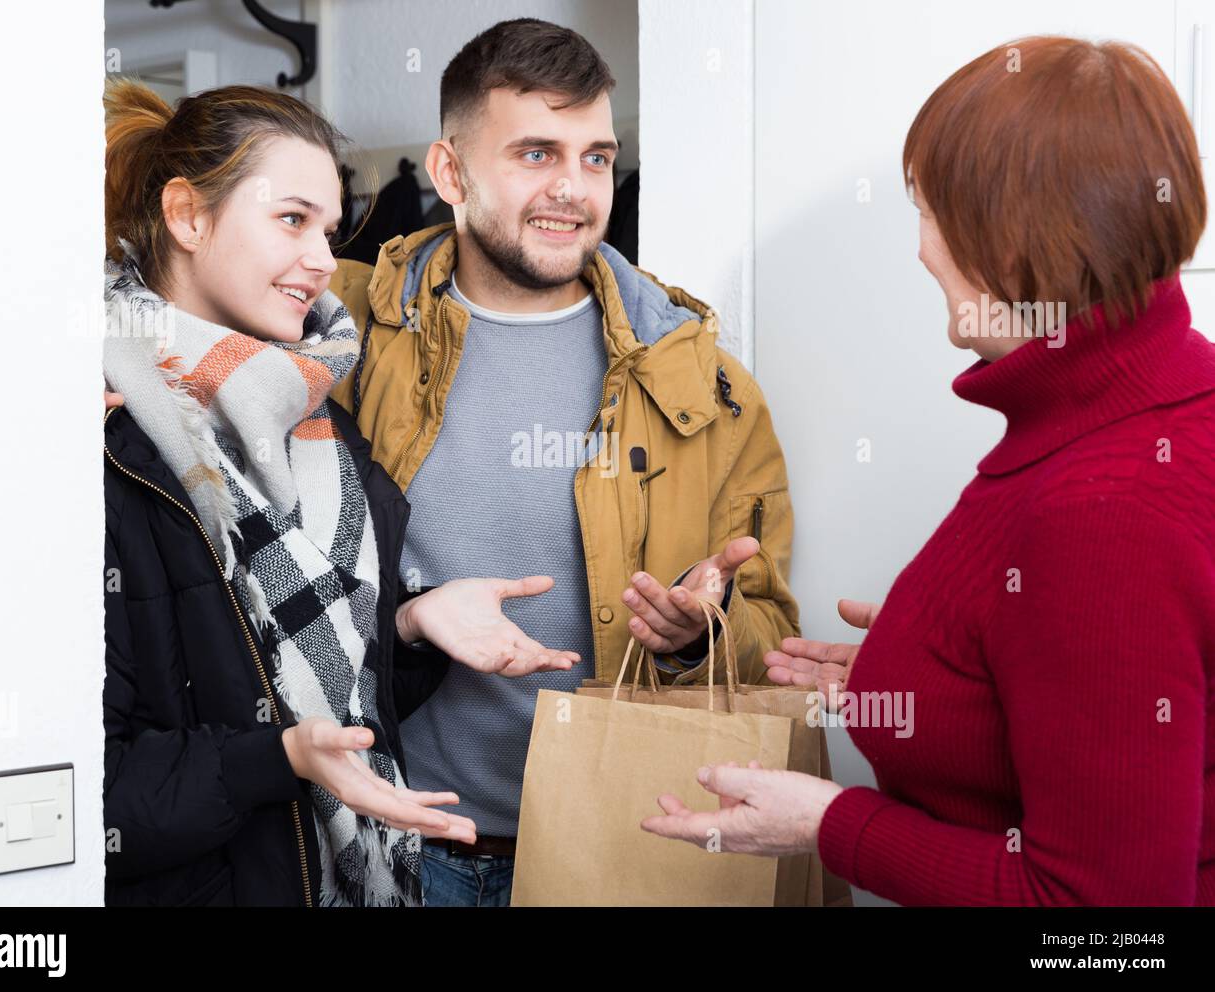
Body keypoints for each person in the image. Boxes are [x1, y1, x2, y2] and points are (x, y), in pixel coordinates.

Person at [642, 36, 1215, 906]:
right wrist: (948, 668)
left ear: (1016, 250)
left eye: (934, 212)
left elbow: (1107, 930)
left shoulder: (1105, 512)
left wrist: (830, 823)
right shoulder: (1165, 398)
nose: (920, 251)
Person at [327, 18, 802, 905]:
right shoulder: (347, 339)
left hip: (617, 844)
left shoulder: (702, 377)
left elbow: (774, 629)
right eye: (537, 153)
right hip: (403, 836)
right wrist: (413, 616)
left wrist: (701, 637)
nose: (574, 190)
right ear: (448, 172)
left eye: (595, 158)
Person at [102, 79, 579, 906]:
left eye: (328, 226)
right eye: (291, 219)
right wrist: (277, 759)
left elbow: (336, 693)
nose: (325, 259)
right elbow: (83, 793)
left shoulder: (320, 419)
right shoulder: (101, 437)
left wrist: (408, 624)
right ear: (187, 215)